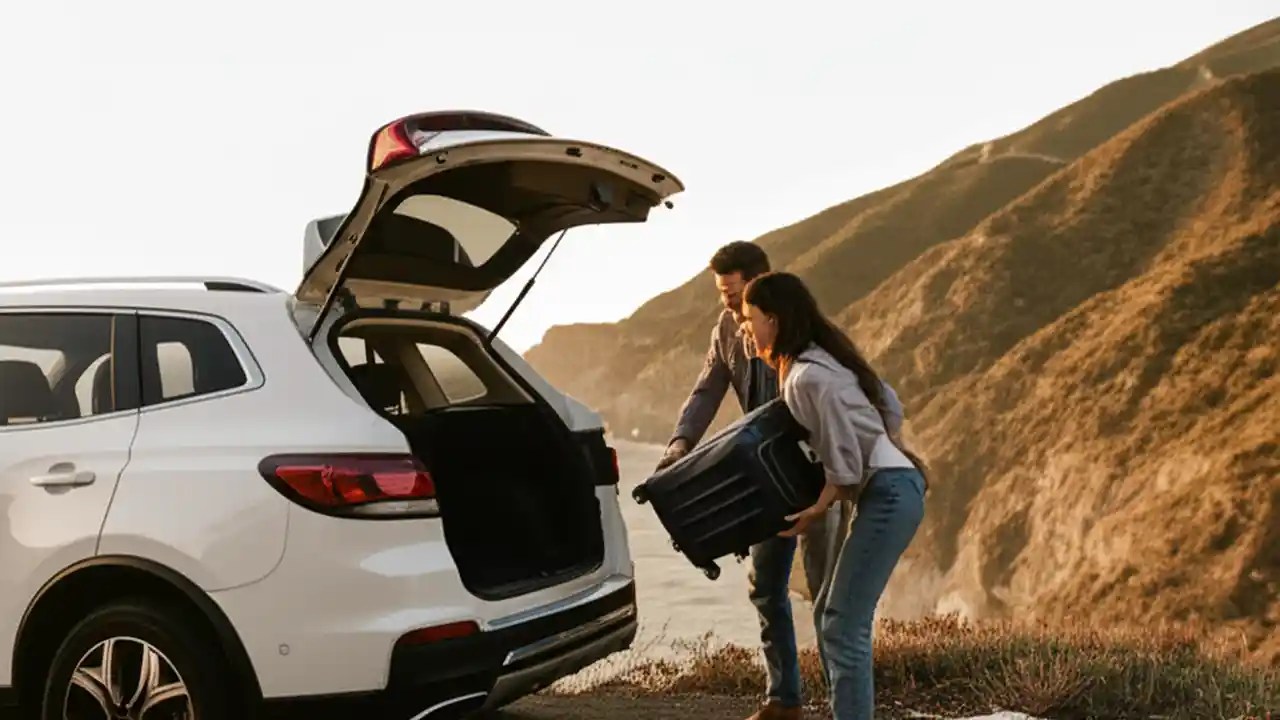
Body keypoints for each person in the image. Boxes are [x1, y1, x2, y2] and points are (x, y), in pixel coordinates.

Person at [657, 241, 906, 720]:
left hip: (818, 479)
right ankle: (783, 699)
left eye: (734, 296)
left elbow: (870, 397)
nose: (729, 306)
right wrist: (680, 444)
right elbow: (707, 389)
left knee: (826, 595)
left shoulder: (802, 338)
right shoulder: (726, 331)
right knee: (765, 586)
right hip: (762, 480)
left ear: (761, 286)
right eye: (723, 295)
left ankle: (840, 704)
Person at [740, 270, 927, 720]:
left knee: (843, 624)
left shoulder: (805, 377)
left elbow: (844, 463)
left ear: (774, 320)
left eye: (750, 319)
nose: (746, 329)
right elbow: (889, 405)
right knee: (830, 609)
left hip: (888, 494)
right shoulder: (821, 360)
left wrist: (818, 507)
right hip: (892, 487)